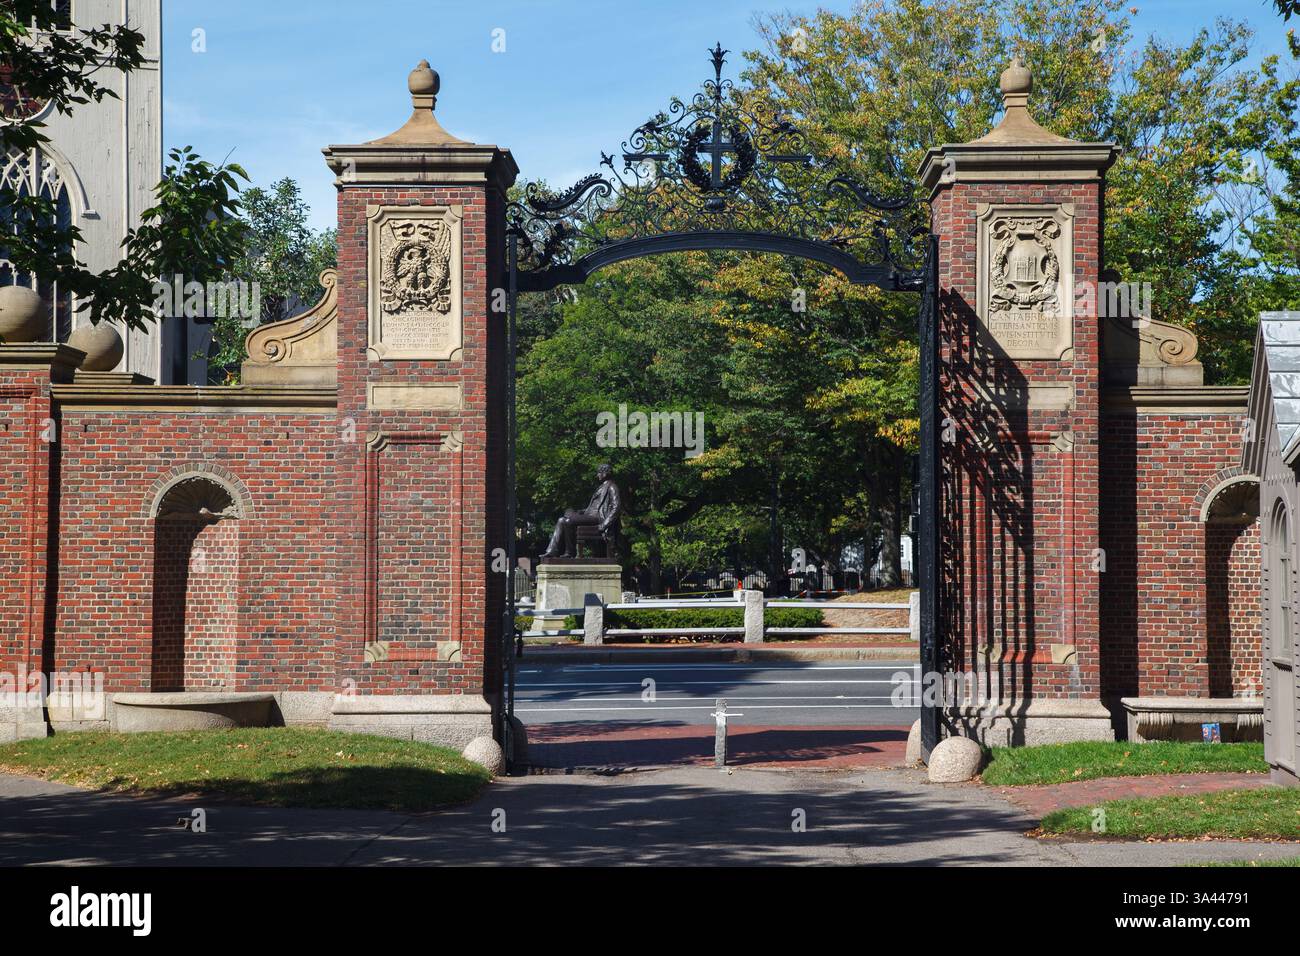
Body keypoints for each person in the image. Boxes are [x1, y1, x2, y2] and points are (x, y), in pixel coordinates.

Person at [541, 463, 623, 559]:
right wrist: (580, 512)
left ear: (605, 473)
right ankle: (553, 551)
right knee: (562, 520)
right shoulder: (601, 487)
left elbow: (616, 507)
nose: (598, 475)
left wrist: (605, 524)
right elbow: (593, 507)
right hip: (590, 515)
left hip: (598, 518)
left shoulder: (612, 486)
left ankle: (570, 552)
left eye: (599, 473)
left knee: (569, 520)